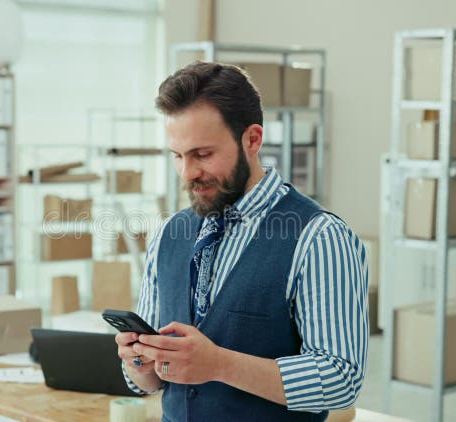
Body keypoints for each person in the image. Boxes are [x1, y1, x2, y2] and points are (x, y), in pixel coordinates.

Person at [115, 61, 368, 421]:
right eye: (177, 156)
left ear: (252, 139)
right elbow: (150, 381)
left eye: (203, 154)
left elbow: (341, 380)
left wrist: (219, 364)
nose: (187, 173)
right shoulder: (170, 234)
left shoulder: (320, 237)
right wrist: (139, 361)